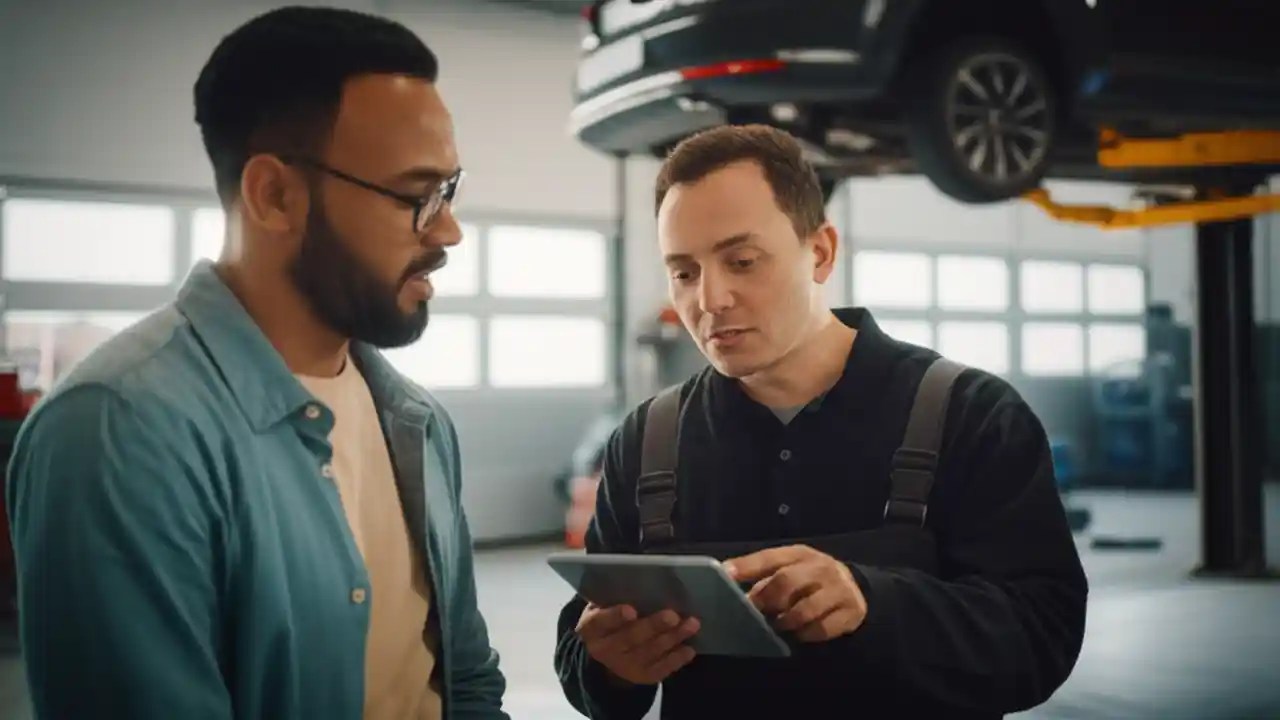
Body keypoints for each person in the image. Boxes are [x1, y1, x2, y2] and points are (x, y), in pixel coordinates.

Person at [5, 7, 507, 719]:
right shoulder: (120, 432)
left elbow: (464, 681)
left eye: (448, 190)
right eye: (415, 195)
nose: (449, 229)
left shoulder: (417, 424)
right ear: (274, 196)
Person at [553, 124, 1088, 719]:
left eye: (743, 260)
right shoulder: (647, 442)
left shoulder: (972, 415)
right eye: (684, 272)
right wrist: (611, 668)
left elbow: (1045, 634)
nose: (710, 299)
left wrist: (875, 606)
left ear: (821, 252)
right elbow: (583, 656)